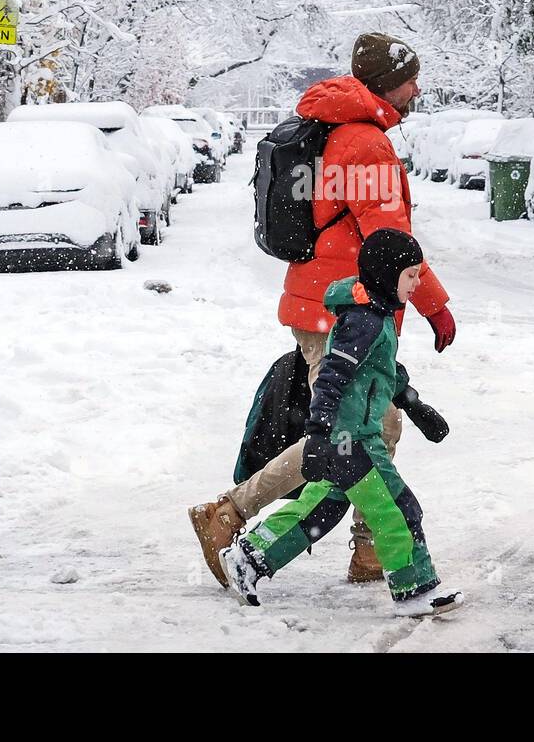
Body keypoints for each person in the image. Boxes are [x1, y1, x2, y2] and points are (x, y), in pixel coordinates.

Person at [189, 32, 457, 584]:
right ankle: (231, 512)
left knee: (372, 428)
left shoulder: (349, 131)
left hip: (337, 303)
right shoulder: (364, 143)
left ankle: (372, 550)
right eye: (410, 79)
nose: (417, 88)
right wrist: (436, 306)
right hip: (343, 310)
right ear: (387, 82)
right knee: (352, 436)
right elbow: (392, 243)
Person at [219, 229, 463, 618]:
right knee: (398, 509)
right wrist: (318, 434)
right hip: (353, 440)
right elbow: (332, 378)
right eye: (411, 275)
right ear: (387, 273)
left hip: (351, 436)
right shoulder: (362, 322)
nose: (418, 284)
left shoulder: (377, 314)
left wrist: (415, 406)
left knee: (320, 511)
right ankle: (413, 587)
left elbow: (383, 372)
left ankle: (249, 557)